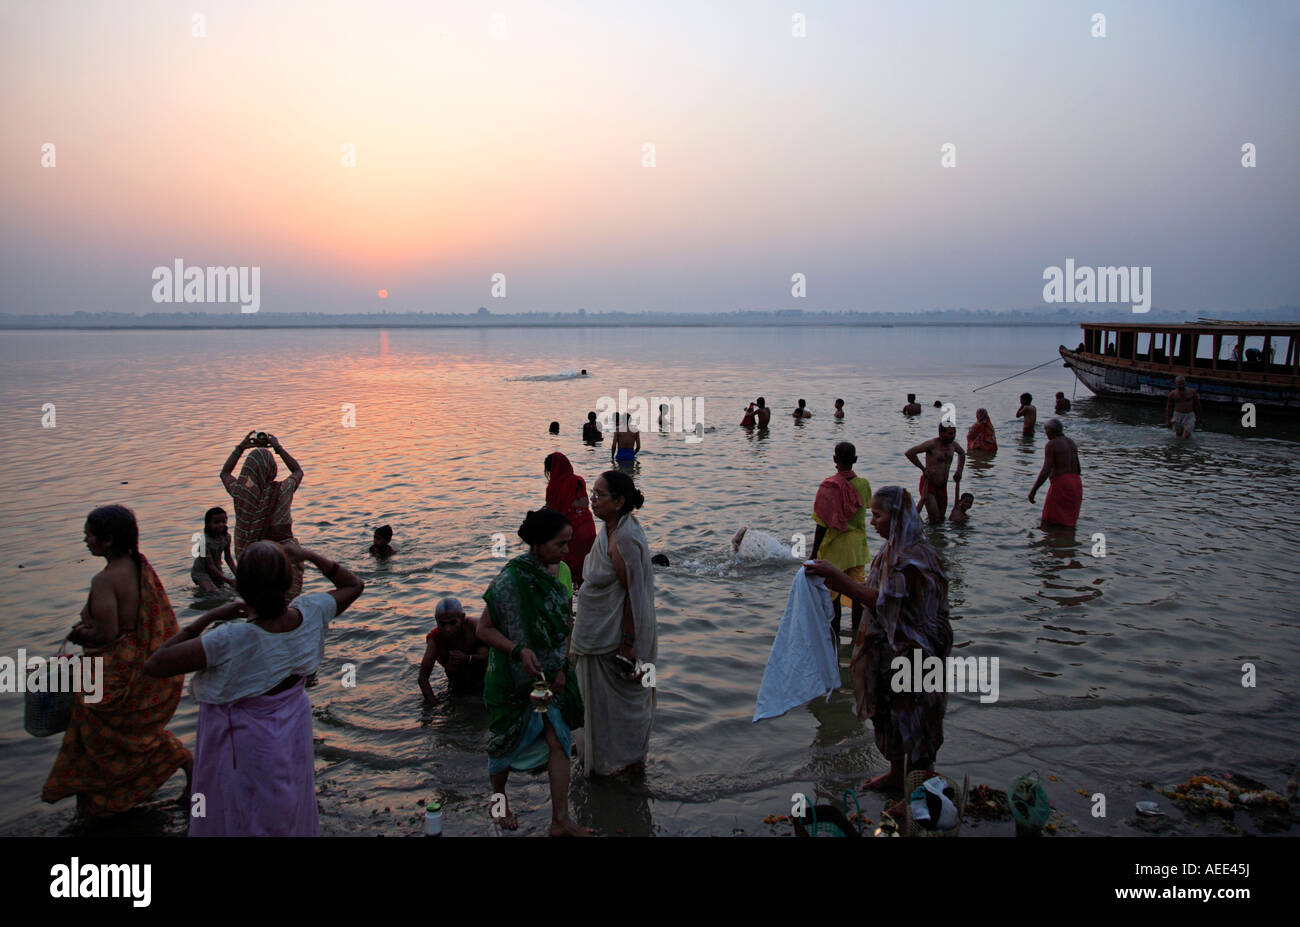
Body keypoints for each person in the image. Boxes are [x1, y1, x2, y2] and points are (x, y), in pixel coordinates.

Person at [145, 541, 363, 836]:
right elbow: (353, 584)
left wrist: (211, 616)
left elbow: (155, 663)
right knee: (288, 801)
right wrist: (309, 555)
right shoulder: (311, 613)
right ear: (288, 584)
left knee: (240, 811)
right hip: (292, 732)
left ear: (242, 588)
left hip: (243, 744)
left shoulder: (228, 639)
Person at [43, 506, 192, 819]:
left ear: (107, 540)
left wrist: (82, 634)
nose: (85, 540)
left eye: (89, 534)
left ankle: (104, 803)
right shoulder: (139, 567)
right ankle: (180, 773)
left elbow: (107, 632)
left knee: (101, 735)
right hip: (140, 661)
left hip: (115, 671)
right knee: (132, 734)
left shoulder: (105, 580)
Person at [806, 487, 952, 790]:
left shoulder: (911, 558)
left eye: (878, 515)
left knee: (917, 720)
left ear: (896, 518)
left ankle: (918, 793)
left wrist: (840, 578)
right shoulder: (892, 549)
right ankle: (897, 775)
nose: (872, 521)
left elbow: (883, 601)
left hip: (918, 654)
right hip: (893, 648)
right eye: (871, 514)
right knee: (890, 715)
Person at [476, 509, 590, 836]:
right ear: (537, 544)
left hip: (550, 677)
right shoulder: (511, 579)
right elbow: (484, 630)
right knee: (503, 746)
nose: (566, 551)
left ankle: (560, 821)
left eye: (568, 543)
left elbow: (565, 624)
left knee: (559, 740)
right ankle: (499, 802)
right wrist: (519, 650)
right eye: (560, 544)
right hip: (511, 679)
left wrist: (564, 669)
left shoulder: (562, 572)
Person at [573, 470, 657, 777]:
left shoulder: (622, 540)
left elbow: (634, 598)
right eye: (592, 494)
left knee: (623, 708)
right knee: (600, 706)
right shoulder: (610, 530)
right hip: (598, 638)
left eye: (599, 495)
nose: (592, 500)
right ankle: (603, 758)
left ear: (619, 502)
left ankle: (626, 765)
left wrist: (627, 645)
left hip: (614, 642)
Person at [221, 432, 305, 597]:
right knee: (288, 607)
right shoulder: (282, 490)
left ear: (248, 469)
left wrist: (241, 448)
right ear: (271, 468)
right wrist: (277, 447)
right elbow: (298, 471)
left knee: (261, 606)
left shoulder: (241, 492)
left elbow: (224, 473)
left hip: (255, 560)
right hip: (285, 557)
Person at [811, 442, 872, 641]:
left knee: (833, 593)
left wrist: (813, 553)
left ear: (835, 460)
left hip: (834, 548)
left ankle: (834, 637)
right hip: (856, 548)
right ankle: (857, 637)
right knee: (858, 593)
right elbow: (866, 509)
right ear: (855, 460)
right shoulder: (863, 485)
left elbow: (821, 524)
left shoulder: (828, 486)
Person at [419, 597, 489, 699]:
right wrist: (434, 707)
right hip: (457, 688)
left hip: (485, 684)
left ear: (462, 618)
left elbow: (498, 656)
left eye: (453, 623)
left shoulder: (476, 627)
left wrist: (468, 659)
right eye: (442, 624)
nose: (447, 629)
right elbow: (423, 679)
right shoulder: (435, 639)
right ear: (436, 621)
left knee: (482, 650)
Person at [545, 452, 597, 587]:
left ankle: (569, 601)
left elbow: (553, 512)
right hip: (588, 528)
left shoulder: (554, 487)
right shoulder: (579, 481)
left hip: (570, 532)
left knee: (567, 570)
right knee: (587, 567)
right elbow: (583, 503)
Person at [905, 424, 965, 525]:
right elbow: (910, 453)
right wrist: (923, 469)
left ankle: (934, 537)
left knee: (941, 519)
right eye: (950, 433)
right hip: (929, 484)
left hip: (943, 486)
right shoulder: (932, 444)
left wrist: (959, 471)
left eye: (954, 433)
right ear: (940, 433)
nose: (953, 436)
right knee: (935, 519)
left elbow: (962, 453)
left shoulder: (953, 445)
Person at [1029, 419, 1083, 528]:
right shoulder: (1071, 442)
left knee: (1050, 520)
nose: (1045, 433)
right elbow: (1078, 468)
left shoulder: (1051, 444)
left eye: (1046, 430)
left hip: (1061, 483)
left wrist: (1033, 491)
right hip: (1076, 483)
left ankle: (1052, 542)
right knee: (1069, 522)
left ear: (1051, 430)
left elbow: (1046, 470)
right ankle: (1066, 542)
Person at [191, 506, 236, 592]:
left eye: (223, 521)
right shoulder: (204, 542)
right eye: (216, 522)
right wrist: (228, 580)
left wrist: (238, 575)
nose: (221, 525)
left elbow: (228, 558)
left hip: (216, 567)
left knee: (223, 590)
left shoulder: (227, 537)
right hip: (201, 571)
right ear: (208, 524)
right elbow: (209, 565)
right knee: (211, 591)